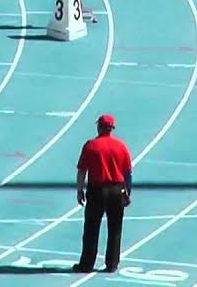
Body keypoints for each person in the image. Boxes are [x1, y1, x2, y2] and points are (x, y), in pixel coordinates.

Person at [74, 114, 132, 273]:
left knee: (91, 228)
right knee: (115, 228)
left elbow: (82, 171)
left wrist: (80, 190)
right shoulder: (121, 146)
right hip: (116, 189)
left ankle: (87, 263)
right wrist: (128, 192)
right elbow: (128, 173)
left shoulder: (91, 146)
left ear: (99, 127)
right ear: (111, 129)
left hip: (97, 190)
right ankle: (112, 263)